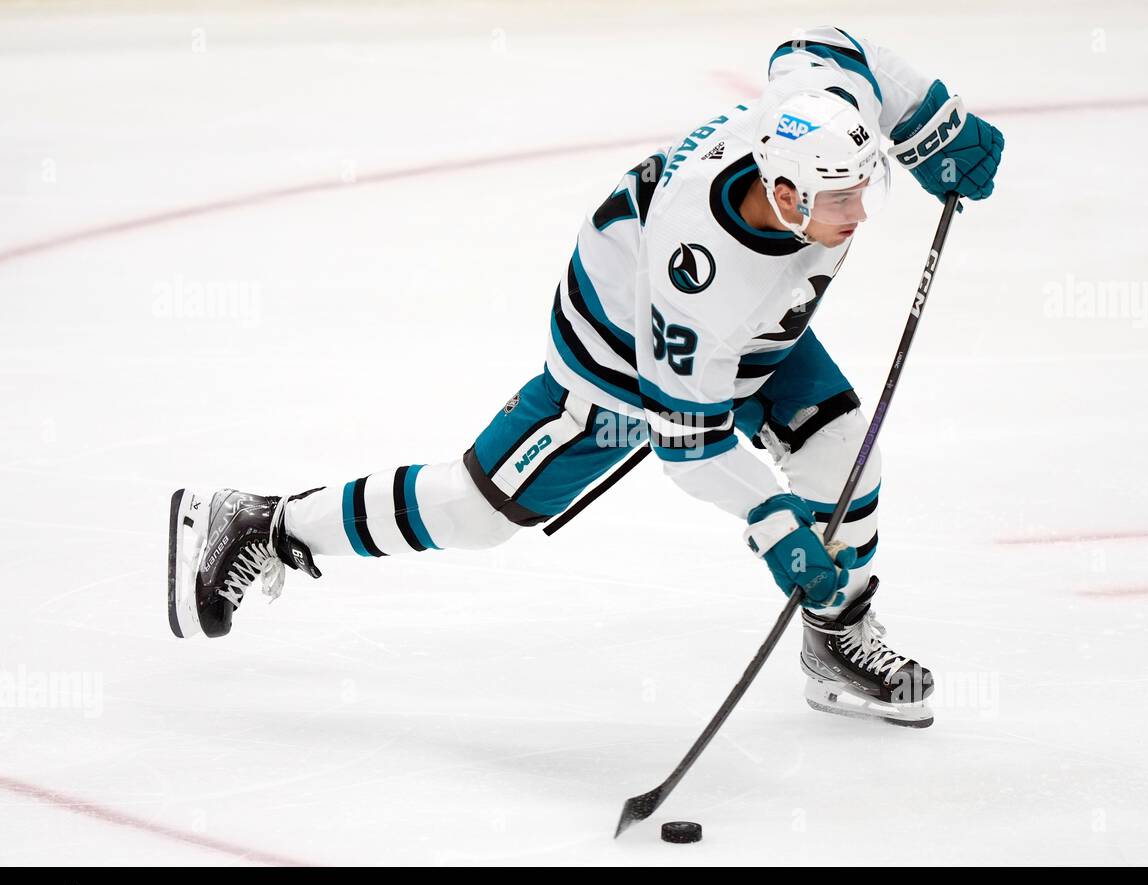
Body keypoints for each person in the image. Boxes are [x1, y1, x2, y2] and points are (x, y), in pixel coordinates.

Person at [167, 26, 1003, 728]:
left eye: (864, 189)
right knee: (476, 511)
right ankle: (266, 523)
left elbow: (825, 43)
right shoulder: (699, 279)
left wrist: (936, 122)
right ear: (782, 192)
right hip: (618, 361)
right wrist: (771, 521)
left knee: (845, 457)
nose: (858, 217)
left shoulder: (812, 120)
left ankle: (836, 639)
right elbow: (687, 446)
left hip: (755, 336)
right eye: (837, 200)